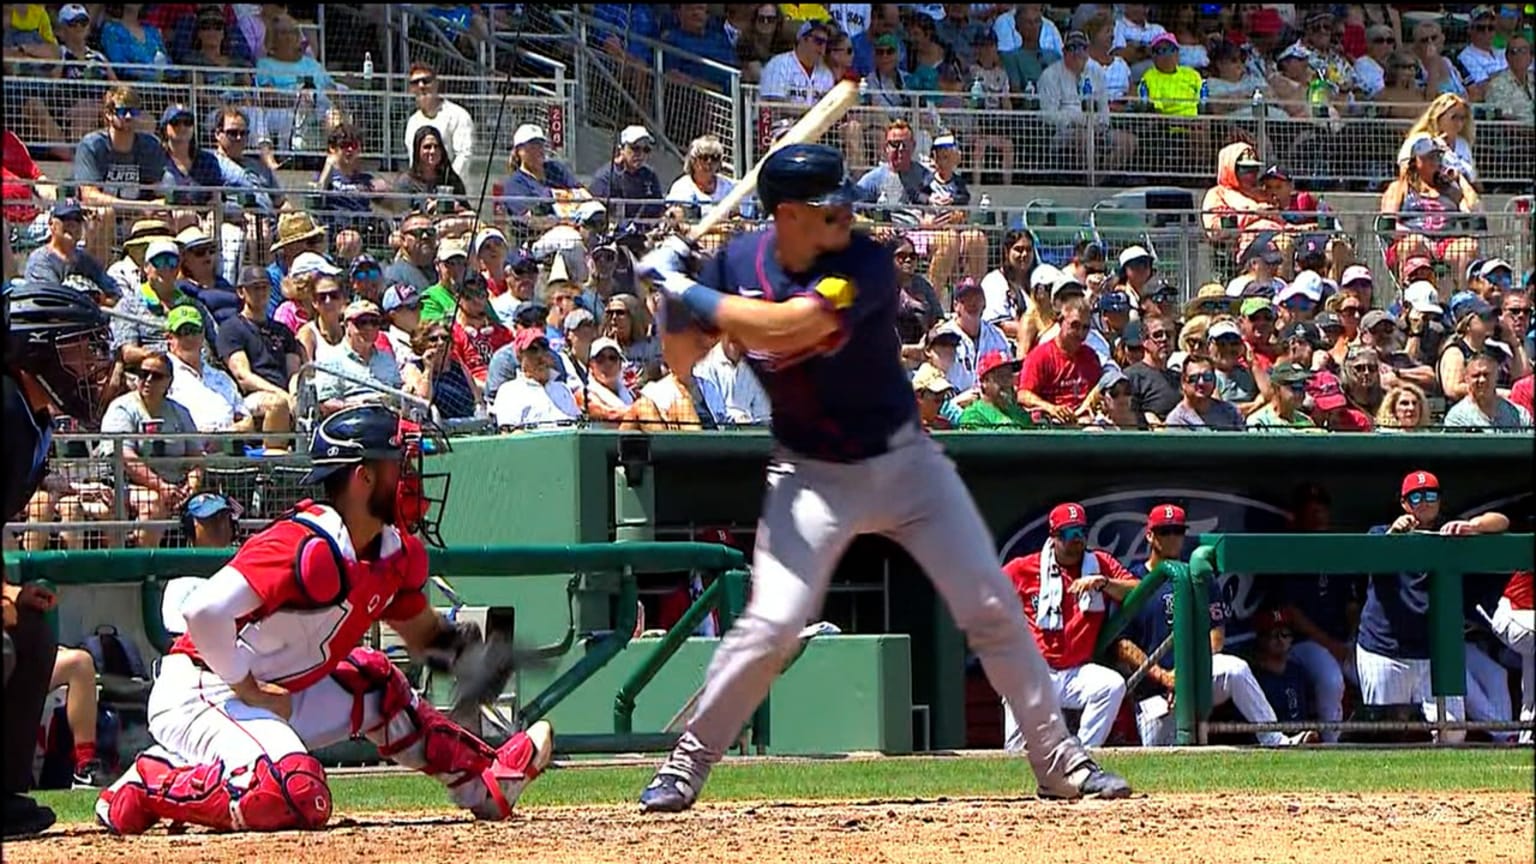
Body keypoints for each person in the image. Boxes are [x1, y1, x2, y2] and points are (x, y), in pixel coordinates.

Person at [633, 143, 1130, 812]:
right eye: (828, 204)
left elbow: (792, 327)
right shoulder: (737, 263)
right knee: (772, 624)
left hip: (905, 464)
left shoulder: (863, 264)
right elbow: (682, 354)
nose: (846, 211)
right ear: (785, 215)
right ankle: (686, 765)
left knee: (990, 604)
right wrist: (668, 295)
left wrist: (691, 287)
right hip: (808, 476)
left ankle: (1059, 762)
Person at [95, 405, 553, 834]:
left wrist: (473, 655)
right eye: (401, 465)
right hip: (203, 691)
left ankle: (482, 782)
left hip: (275, 693)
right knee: (295, 794)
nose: (412, 479)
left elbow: (423, 637)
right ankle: (148, 782)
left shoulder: (394, 553)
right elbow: (202, 612)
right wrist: (247, 688)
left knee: (374, 680)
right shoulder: (304, 543)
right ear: (363, 477)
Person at [3, 281, 114, 838]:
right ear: (36, 349)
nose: (90, 362)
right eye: (75, 347)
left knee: (32, 629)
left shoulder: (31, 416)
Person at [1356, 471, 1505, 743]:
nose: (1424, 501)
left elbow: (1502, 522)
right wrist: (1394, 533)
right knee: (1386, 733)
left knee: (1454, 732)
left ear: (1439, 500)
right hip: (1386, 649)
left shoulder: (1449, 530)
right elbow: (1368, 555)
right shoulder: (1381, 533)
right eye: (1416, 496)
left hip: (1434, 652)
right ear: (1404, 503)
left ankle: (1443, 785)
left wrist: (1474, 526)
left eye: (1430, 495)